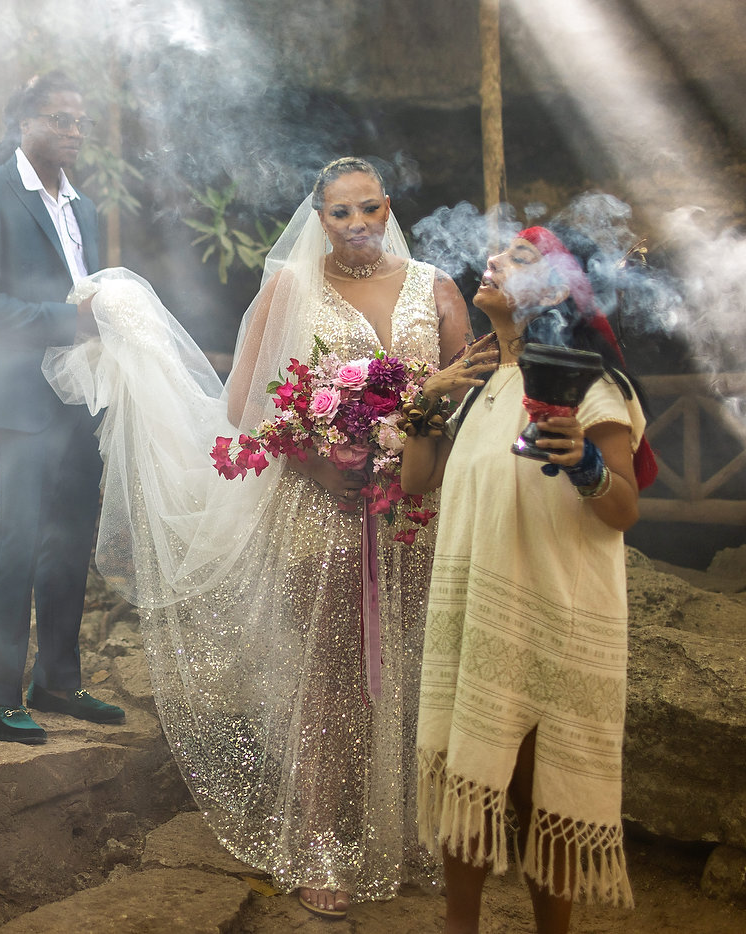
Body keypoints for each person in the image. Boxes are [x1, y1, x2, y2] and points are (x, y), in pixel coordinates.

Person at [43, 157, 471, 918]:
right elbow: (245, 406)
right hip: (321, 513)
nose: (358, 224)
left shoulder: (434, 286)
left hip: (416, 512)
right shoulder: (290, 288)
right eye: (340, 213)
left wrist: (415, 450)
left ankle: (402, 832)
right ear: (319, 219)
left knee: (414, 673)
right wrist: (314, 463)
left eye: (368, 207)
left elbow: (470, 393)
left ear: (387, 205)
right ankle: (318, 845)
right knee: (332, 682)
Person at [400, 226, 656, 934]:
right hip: (479, 609)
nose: (489, 261)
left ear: (554, 290)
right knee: (467, 770)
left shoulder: (589, 385)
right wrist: (427, 399)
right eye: (492, 251)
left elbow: (623, 511)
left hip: (555, 609)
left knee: (546, 793)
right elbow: (418, 480)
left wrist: (583, 462)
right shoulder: (479, 387)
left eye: (517, 257)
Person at [0, 70, 125, 745]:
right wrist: (64, 321)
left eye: (79, 120)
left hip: (79, 396)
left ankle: (55, 680)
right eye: (58, 119)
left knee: (70, 541)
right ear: (23, 121)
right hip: (21, 398)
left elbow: (91, 298)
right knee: (19, 543)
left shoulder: (84, 207)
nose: (73, 131)